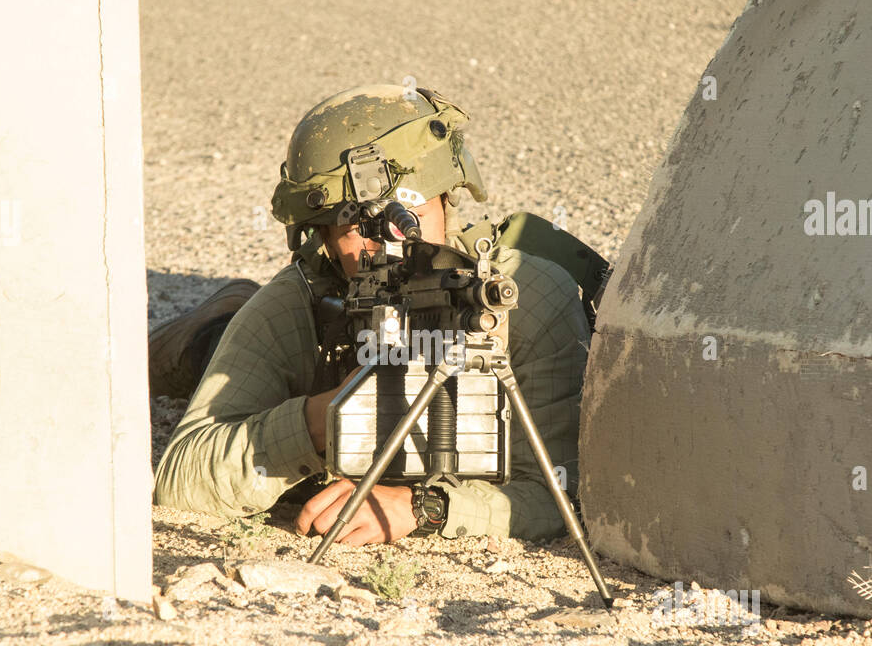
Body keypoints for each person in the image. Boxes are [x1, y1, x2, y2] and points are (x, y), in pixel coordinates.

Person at [150, 84, 593, 547]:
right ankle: (210, 327)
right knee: (194, 354)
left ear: (446, 200)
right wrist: (326, 415)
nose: (389, 244)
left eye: (407, 212)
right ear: (320, 238)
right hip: (255, 359)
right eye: (352, 225)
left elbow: (561, 492)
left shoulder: (523, 299)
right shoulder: (299, 301)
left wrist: (423, 507)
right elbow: (182, 478)